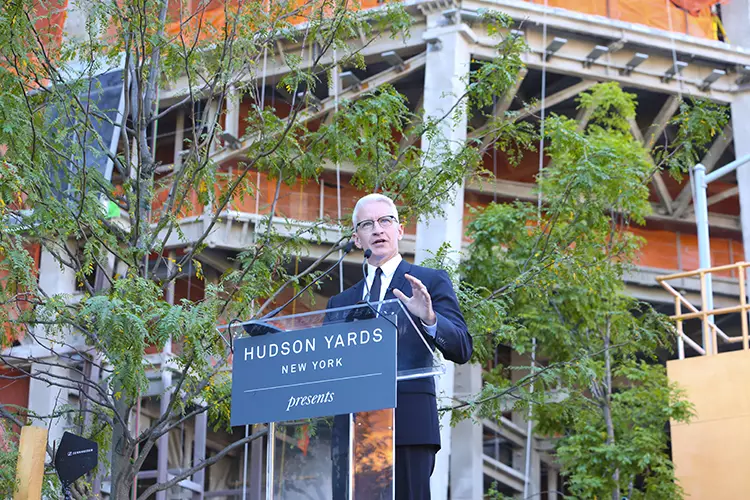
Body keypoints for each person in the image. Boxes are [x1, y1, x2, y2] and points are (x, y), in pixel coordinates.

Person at [326, 193, 473, 500]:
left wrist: (430, 318)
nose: (377, 230)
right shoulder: (340, 303)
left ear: (400, 230)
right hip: (356, 434)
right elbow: (331, 367)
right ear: (356, 238)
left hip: (409, 426)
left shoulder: (428, 282)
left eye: (385, 221)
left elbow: (462, 346)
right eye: (367, 224)